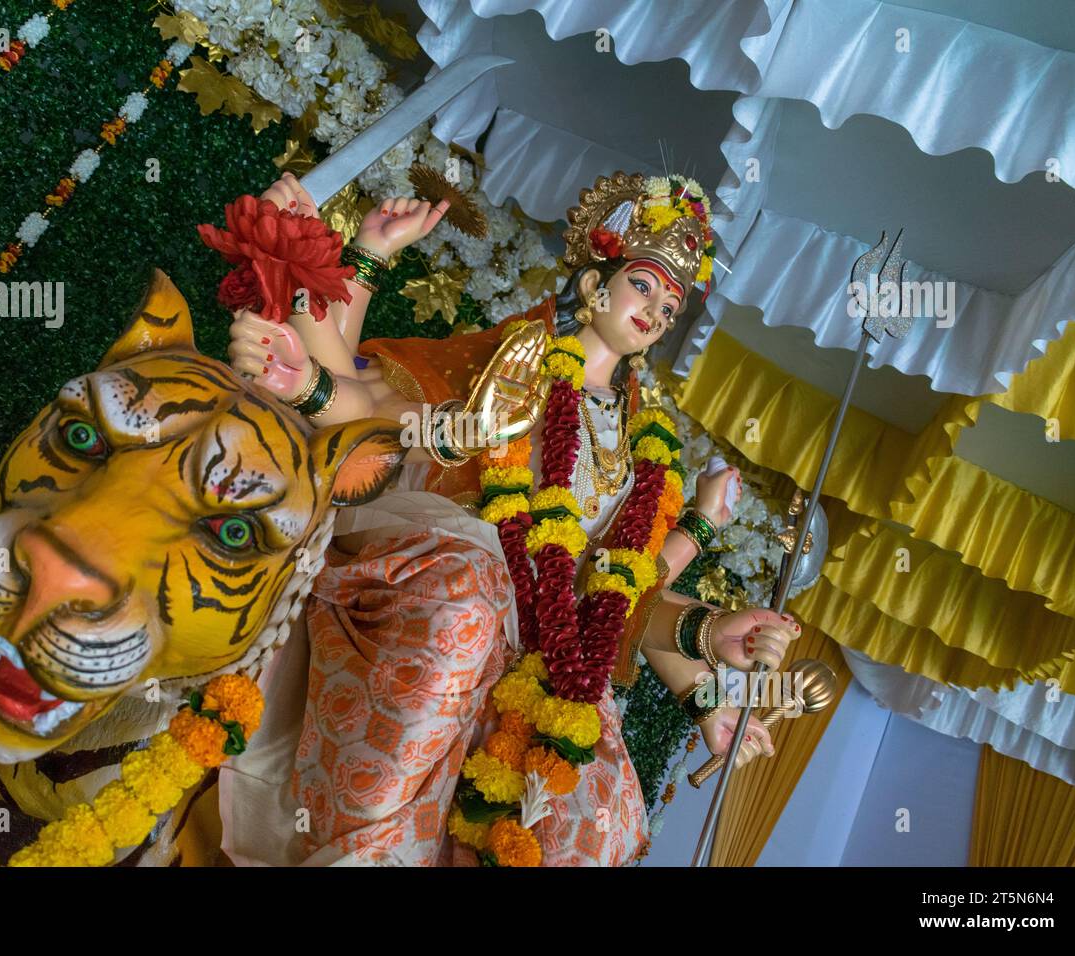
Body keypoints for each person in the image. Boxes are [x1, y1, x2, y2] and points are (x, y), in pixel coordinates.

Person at [219, 171, 800, 866]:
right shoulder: (519, 358)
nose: (655, 311)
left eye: (672, 307)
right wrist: (337, 278)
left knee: (605, 813)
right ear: (596, 283)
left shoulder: (650, 453)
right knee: (465, 604)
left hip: (547, 647)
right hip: (448, 563)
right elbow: (366, 401)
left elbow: (614, 597)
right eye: (645, 285)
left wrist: (709, 679)